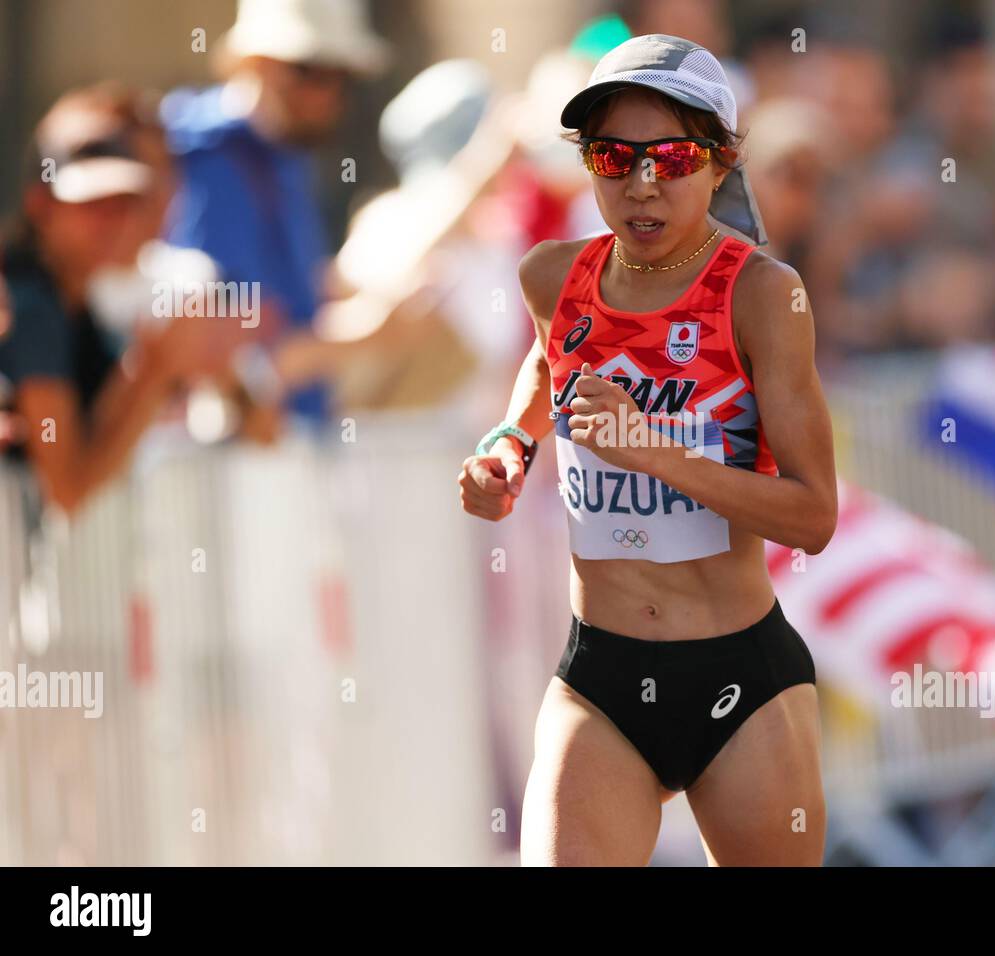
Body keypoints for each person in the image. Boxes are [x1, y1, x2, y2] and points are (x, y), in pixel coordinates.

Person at [457, 34, 838, 866]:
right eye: (612, 156)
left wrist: (657, 453)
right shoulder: (551, 277)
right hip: (600, 675)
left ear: (720, 159)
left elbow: (813, 517)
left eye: (670, 156)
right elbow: (550, 361)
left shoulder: (765, 296)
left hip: (740, 680)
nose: (641, 184)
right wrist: (510, 445)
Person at [160, 0, 389, 430]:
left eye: (341, 76)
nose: (327, 95)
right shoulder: (199, 154)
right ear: (256, 62)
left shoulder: (289, 160)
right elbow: (212, 324)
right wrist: (349, 338)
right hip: (227, 450)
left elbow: (280, 298)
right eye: (311, 71)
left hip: (293, 440)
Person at [0, 85, 231, 512]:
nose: (116, 222)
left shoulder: (73, 303)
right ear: (41, 206)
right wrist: (154, 370)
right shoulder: (30, 306)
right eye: (92, 205)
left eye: (126, 202)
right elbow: (67, 488)